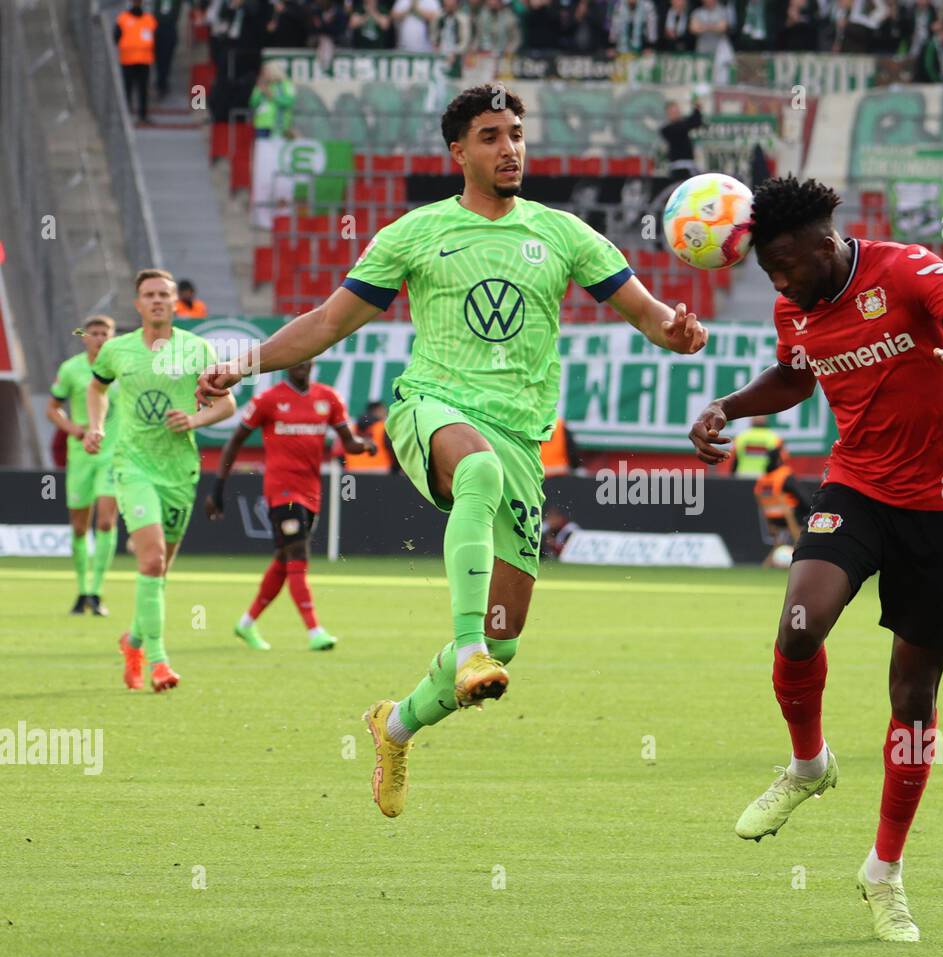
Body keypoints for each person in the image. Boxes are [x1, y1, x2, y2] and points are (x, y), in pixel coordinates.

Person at [196, 83, 708, 819]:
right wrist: (244, 363)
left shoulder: (564, 234)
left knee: (507, 648)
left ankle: (395, 723)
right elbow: (328, 322)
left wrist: (679, 332)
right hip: (431, 406)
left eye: (517, 133)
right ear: (458, 151)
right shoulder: (415, 233)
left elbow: (649, 315)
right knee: (477, 469)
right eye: (492, 136)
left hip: (521, 435)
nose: (510, 147)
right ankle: (466, 647)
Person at [689, 176, 943, 942]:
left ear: (823, 241)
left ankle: (884, 870)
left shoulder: (906, 270)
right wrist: (727, 406)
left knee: (912, 697)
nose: (777, 280)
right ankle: (809, 763)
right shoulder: (793, 307)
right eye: (766, 270)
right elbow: (796, 372)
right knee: (799, 626)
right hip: (858, 487)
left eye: (783, 263)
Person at [83, 269, 237, 692]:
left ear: (175, 304)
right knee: (149, 562)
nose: (156, 301)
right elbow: (96, 390)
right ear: (138, 304)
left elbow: (227, 405)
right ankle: (159, 662)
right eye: (148, 294)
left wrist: (195, 418)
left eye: (163, 295)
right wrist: (96, 426)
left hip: (179, 471)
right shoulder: (116, 350)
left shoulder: (196, 349)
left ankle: (132, 641)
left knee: (160, 571)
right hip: (132, 465)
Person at [205, 359, 377, 651]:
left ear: (313, 363)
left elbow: (348, 443)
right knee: (298, 553)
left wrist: (366, 445)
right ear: (285, 366)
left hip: (311, 491)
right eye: (294, 361)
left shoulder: (328, 398)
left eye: (305, 359)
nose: (300, 365)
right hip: (281, 491)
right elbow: (234, 442)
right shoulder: (267, 400)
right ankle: (314, 631)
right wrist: (218, 489)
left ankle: (246, 624)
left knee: (285, 560)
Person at [47, 316, 122, 616]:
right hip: (80, 455)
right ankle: (81, 590)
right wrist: (74, 429)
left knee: (105, 522)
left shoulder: (122, 367)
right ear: (84, 337)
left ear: (113, 337)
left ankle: (97, 592)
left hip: (113, 454)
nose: (100, 338)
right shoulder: (71, 369)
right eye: (95, 333)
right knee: (79, 527)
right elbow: (52, 409)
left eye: (106, 333)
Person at [754, 447, 810, 565]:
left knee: (780, 541)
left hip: (773, 520)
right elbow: (804, 499)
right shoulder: (784, 475)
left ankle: (767, 565)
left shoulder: (763, 479)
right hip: (791, 518)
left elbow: (758, 497)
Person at [114, 1, 157, 125]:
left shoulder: (149, 20)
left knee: (142, 89)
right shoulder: (123, 19)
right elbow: (116, 36)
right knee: (128, 89)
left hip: (144, 60)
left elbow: (155, 37)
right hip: (128, 60)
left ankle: (142, 115)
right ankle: (126, 115)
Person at [660, 98, 704, 182]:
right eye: (673, 112)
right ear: (668, 114)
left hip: (689, 167)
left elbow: (696, 122)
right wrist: (696, 111)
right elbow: (685, 126)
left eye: (677, 111)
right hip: (677, 169)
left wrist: (697, 109)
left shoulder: (683, 125)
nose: (676, 113)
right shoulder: (667, 130)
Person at [727, 413, 783, 477]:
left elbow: (733, 457)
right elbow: (781, 459)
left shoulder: (741, 436)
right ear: (766, 421)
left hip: (742, 476)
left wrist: (732, 476)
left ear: (751, 421)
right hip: (765, 478)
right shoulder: (774, 437)